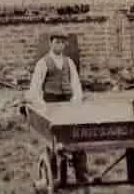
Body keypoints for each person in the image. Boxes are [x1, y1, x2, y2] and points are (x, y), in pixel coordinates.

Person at [25, 34, 88, 181]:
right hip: (51, 104)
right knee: (53, 141)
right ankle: (52, 176)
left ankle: (81, 175)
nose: (59, 45)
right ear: (50, 43)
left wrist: (76, 100)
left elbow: (75, 83)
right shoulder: (43, 63)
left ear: (65, 45)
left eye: (62, 43)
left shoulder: (69, 62)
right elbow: (36, 85)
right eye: (56, 42)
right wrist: (41, 104)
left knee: (74, 137)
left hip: (67, 103)